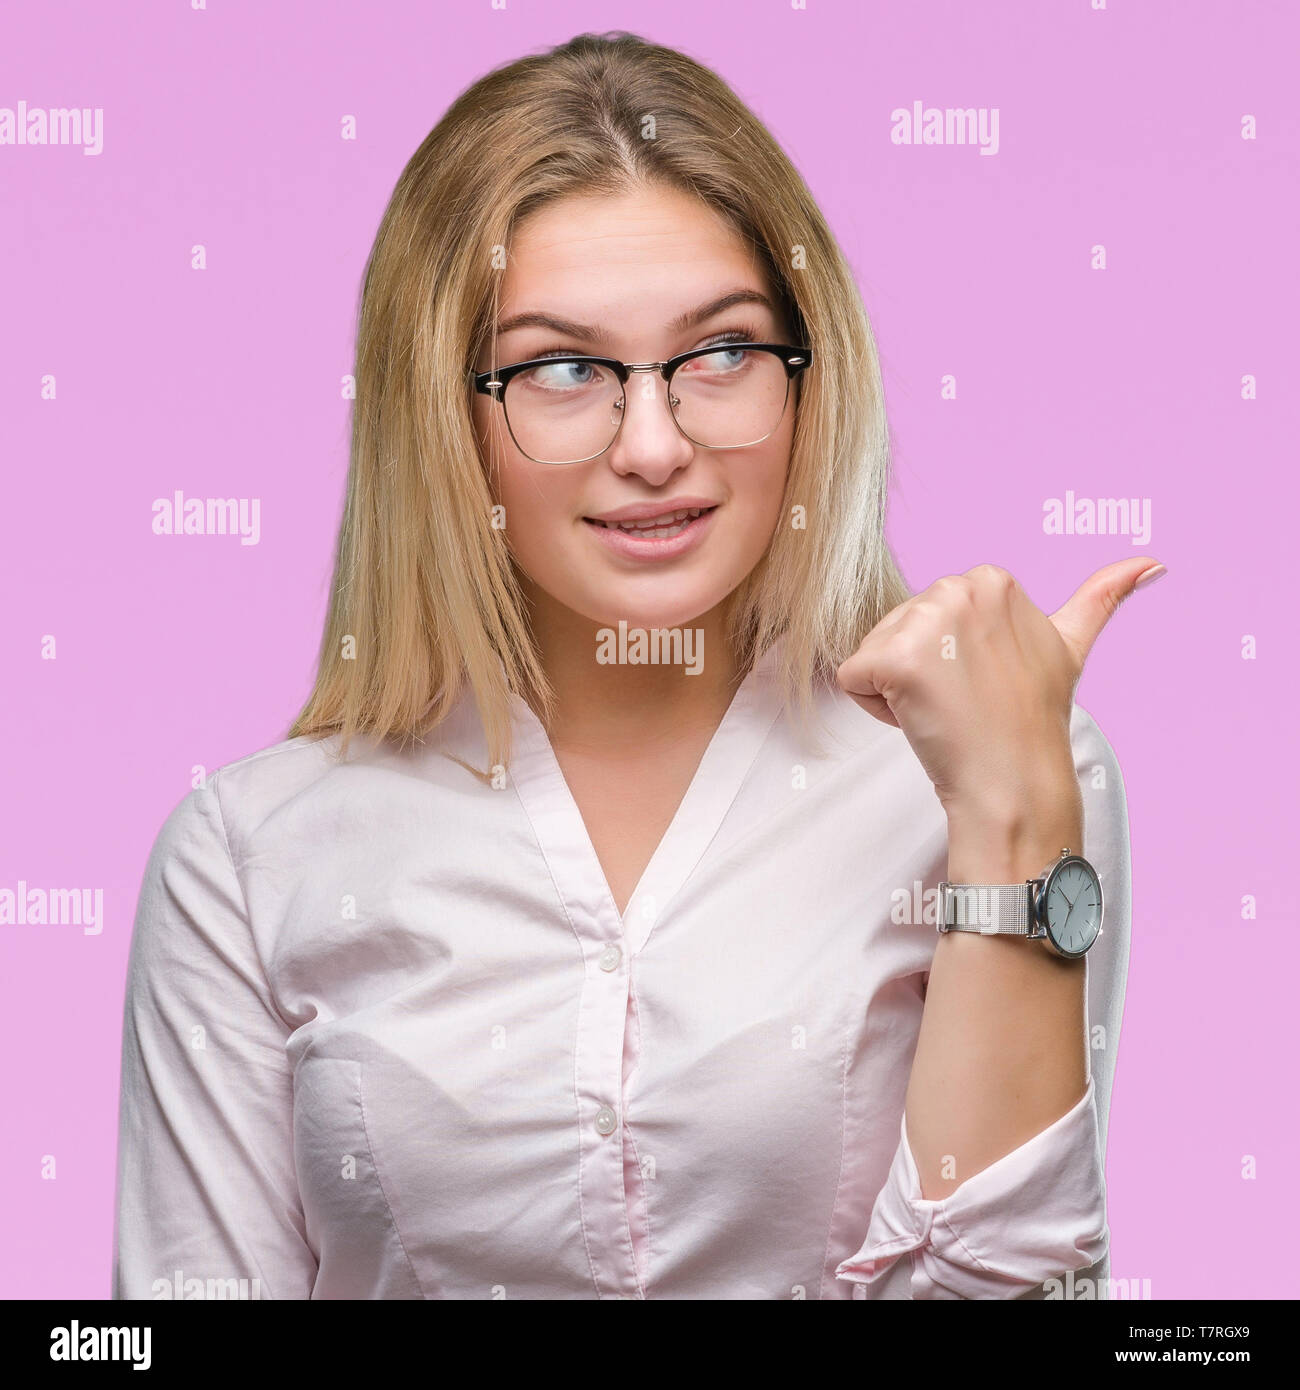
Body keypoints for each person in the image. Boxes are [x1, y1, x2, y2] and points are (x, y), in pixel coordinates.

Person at [112, 30, 1158, 1301]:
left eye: (721, 353)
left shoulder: (998, 769)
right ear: (441, 414)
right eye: (562, 368)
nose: (654, 445)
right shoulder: (249, 858)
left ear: (808, 373)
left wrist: (1012, 810)